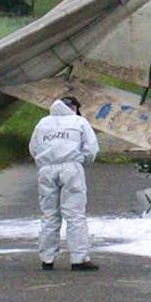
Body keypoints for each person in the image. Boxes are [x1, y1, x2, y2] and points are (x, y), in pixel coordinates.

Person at [29, 96, 100, 271]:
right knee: (75, 214)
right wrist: (81, 159)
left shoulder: (42, 123)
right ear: (74, 107)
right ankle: (79, 258)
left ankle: (47, 259)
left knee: (49, 214)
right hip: (71, 168)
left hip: (46, 169)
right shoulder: (79, 122)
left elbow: (33, 148)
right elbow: (91, 149)